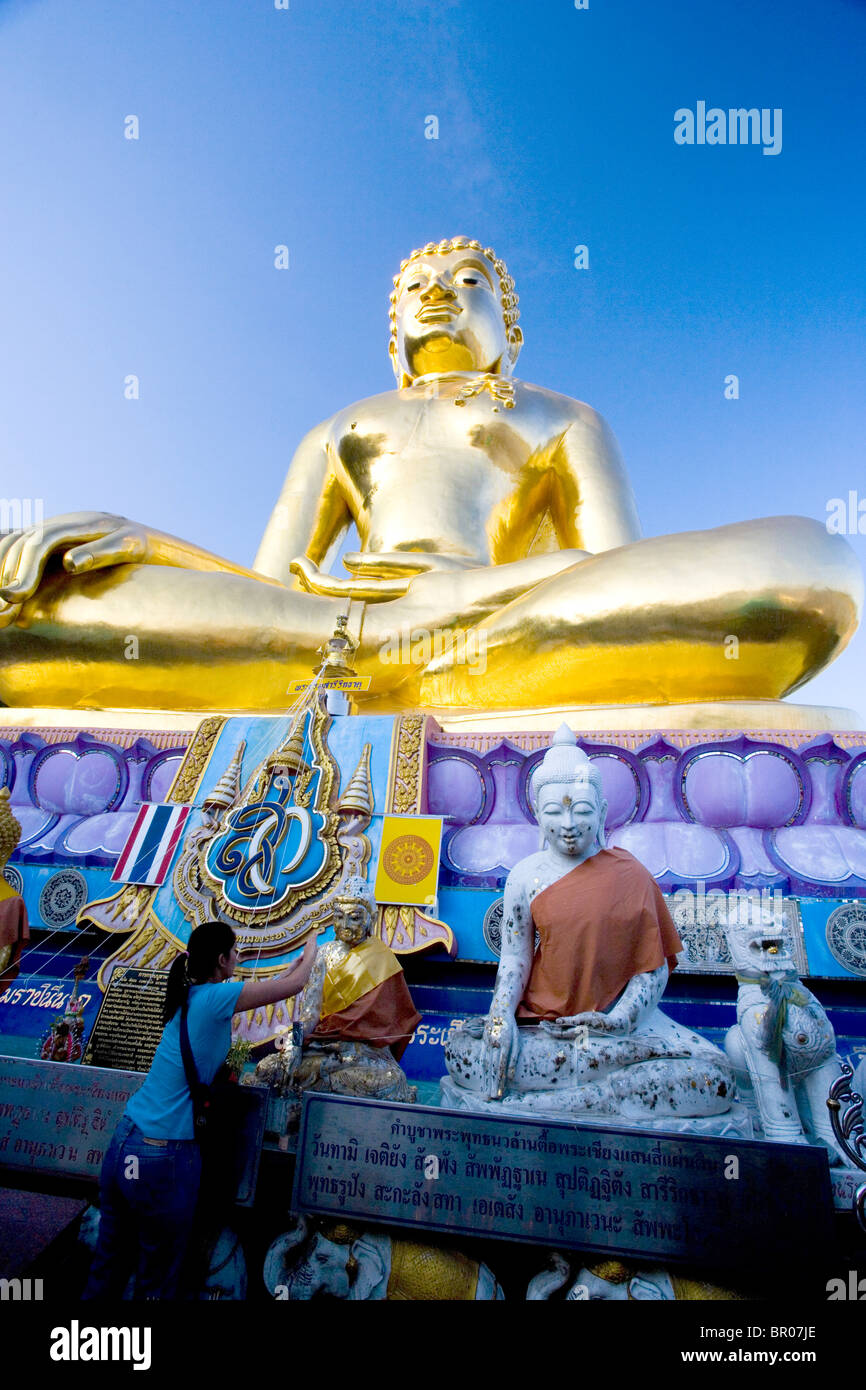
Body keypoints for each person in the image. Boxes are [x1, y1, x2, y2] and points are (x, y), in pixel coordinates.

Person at [0, 237, 859, 718]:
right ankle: (386, 659)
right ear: (391, 339)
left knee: (809, 568)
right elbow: (261, 592)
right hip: (330, 621)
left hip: (501, 606)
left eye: (467, 282)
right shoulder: (340, 426)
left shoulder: (560, 416)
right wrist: (152, 545)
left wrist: (451, 599)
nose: (436, 293)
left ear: (509, 333)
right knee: (24, 599)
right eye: (415, 285)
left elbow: (610, 578)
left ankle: (380, 663)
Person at [82, 920, 316, 1300]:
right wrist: (313, 942)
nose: (239, 958)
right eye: (236, 952)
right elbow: (295, 985)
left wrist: (294, 965)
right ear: (222, 960)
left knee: (108, 1264)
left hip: (126, 1140)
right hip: (163, 1153)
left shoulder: (191, 996)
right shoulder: (214, 999)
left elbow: (276, 985)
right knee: (156, 1278)